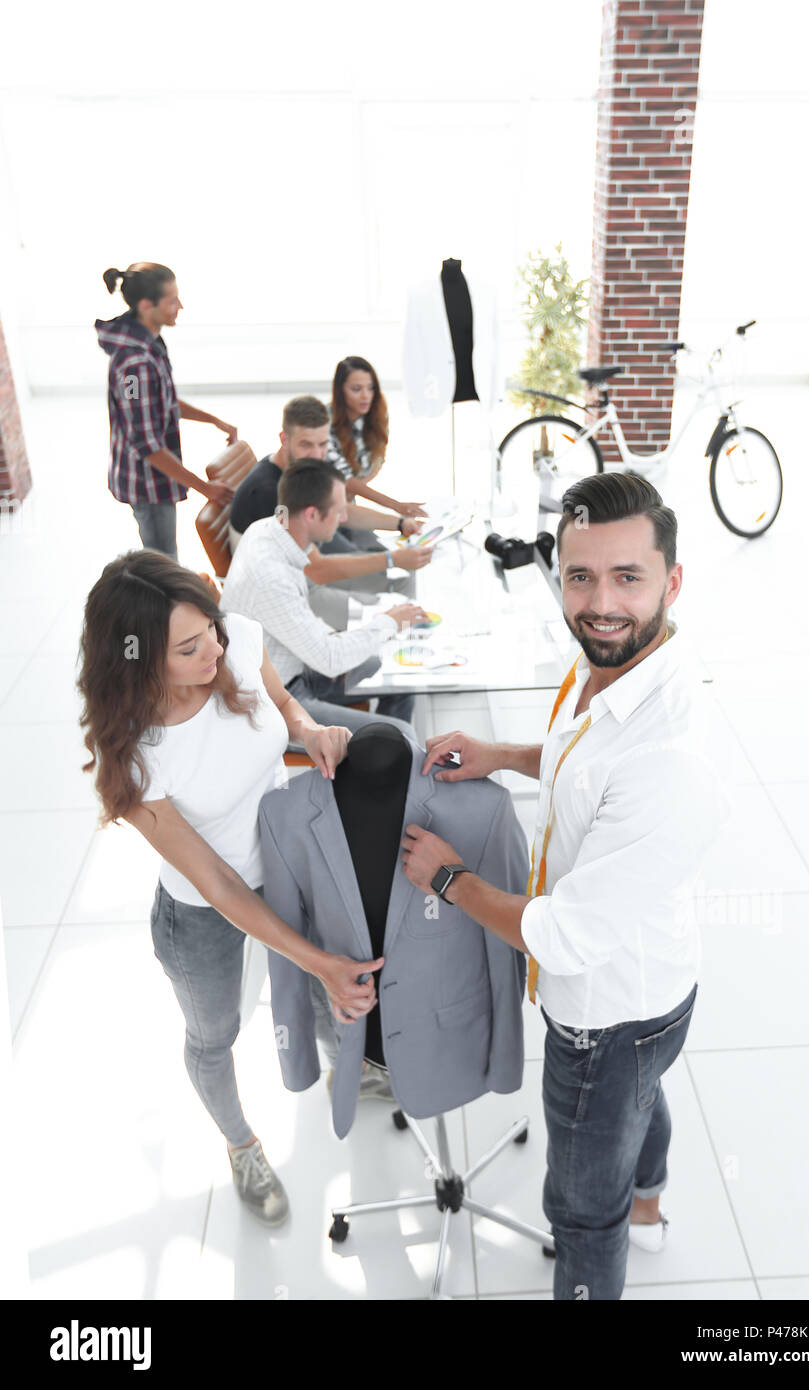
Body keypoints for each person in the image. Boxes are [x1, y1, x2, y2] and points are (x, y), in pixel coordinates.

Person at [401, 472, 730, 1301]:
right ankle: (649, 1207)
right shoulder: (612, 663)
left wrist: (447, 875)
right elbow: (583, 769)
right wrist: (502, 755)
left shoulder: (669, 758)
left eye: (628, 577)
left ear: (673, 581)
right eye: (580, 576)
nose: (599, 602)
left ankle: (623, 1226)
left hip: (604, 1016)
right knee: (642, 1103)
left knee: (583, 1210)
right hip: (655, 991)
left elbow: (561, 936)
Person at [77, 551, 383, 1227]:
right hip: (202, 913)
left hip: (285, 862)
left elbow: (281, 703)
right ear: (137, 660)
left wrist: (310, 733)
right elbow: (214, 881)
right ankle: (241, 1143)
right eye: (188, 648)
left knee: (313, 986)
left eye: (211, 628)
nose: (214, 647)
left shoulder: (235, 639)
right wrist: (317, 959)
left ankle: (350, 1065)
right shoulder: (133, 752)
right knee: (215, 1034)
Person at [220, 460, 428, 733]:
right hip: (275, 699)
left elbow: (310, 631)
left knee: (399, 678)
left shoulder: (269, 529)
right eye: (339, 511)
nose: (344, 518)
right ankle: (381, 744)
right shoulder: (271, 577)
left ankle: (377, 754)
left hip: (298, 665)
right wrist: (390, 621)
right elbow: (330, 660)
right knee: (402, 733)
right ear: (311, 515)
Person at [95, 263, 237, 561]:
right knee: (163, 561)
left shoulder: (148, 341)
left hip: (154, 474)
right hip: (147, 482)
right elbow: (146, 443)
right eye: (172, 301)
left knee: (163, 557)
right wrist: (205, 488)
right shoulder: (135, 365)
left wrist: (213, 420)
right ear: (147, 305)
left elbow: (162, 400)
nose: (180, 306)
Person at [228, 394, 423, 601]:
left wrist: (400, 523)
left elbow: (342, 509)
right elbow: (315, 569)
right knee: (396, 580)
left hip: (313, 554)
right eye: (306, 445)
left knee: (390, 559)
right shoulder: (269, 495)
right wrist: (390, 560)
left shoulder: (300, 467)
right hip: (286, 586)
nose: (316, 454)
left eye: (323, 445)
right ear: (284, 439)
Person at [324, 356, 428, 556]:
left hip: (348, 508)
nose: (366, 396)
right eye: (356, 389)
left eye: (370, 388)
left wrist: (352, 488)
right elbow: (345, 480)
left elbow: (376, 464)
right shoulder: (324, 422)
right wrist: (397, 506)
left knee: (387, 550)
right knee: (371, 558)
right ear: (340, 391)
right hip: (325, 512)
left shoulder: (376, 415)